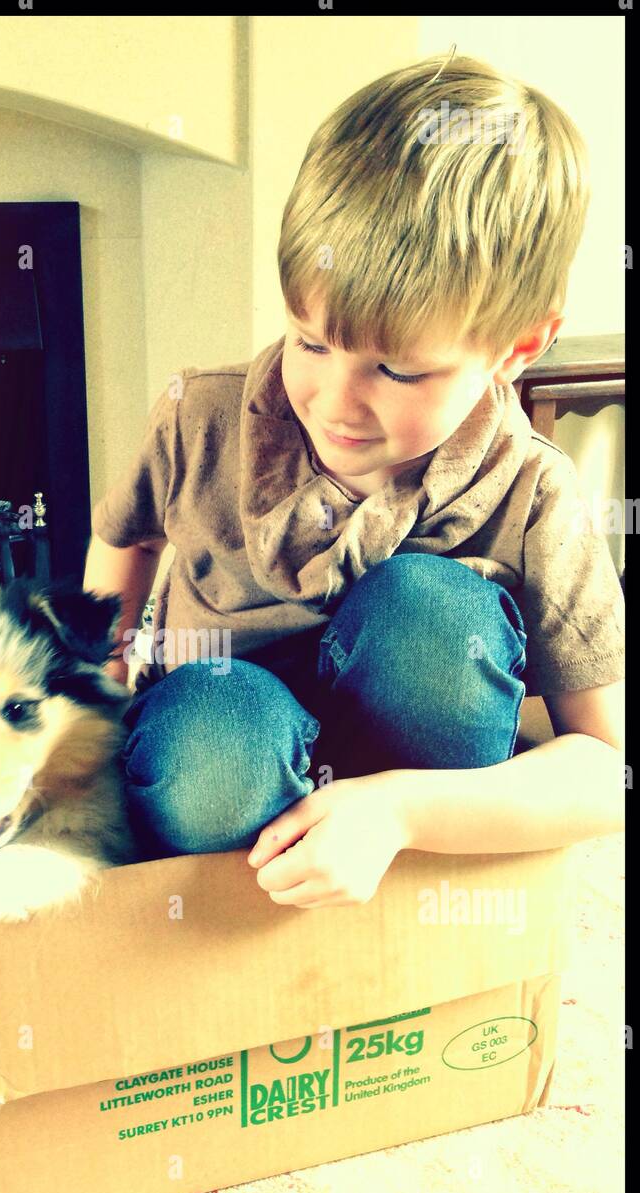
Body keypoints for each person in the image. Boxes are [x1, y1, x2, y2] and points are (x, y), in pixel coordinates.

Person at [82, 53, 625, 909]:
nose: (335, 404)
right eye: (309, 340)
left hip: (413, 794)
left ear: (518, 347)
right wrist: (93, 698)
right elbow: (125, 536)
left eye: (398, 371)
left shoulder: (534, 496)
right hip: (220, 752)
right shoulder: (199, 415)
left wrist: (401, 812)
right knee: (219, 740)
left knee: (433, 613)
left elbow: (603, 771)